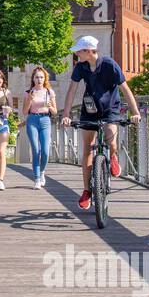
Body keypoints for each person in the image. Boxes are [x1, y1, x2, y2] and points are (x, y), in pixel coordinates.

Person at [59, 35, 141, 211]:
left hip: (110, 107)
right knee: (87, 148)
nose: (77, 55)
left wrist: (135, 113)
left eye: (79, 52)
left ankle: (113, 157)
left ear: (89, 51)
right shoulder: (81, 67)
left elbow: (125, 89)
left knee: (111, 138)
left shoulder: (110, 65)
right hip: (90, 108)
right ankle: (87, 191)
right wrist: (65, 114)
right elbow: (72, 90)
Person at [22, 67, 58, 189]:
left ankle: (42, 172)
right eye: (37, 77)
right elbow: (24, 111)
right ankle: (37, 179)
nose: (39, 79)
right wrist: (29, 100)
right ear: (33, 78)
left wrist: (50, 106)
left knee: (45, 152)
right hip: (32, 120)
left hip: (45, 120)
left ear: (45, 78)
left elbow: (55, 111)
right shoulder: (28, 92)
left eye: (41, 77)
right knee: (36, 150)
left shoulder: (49, 92)